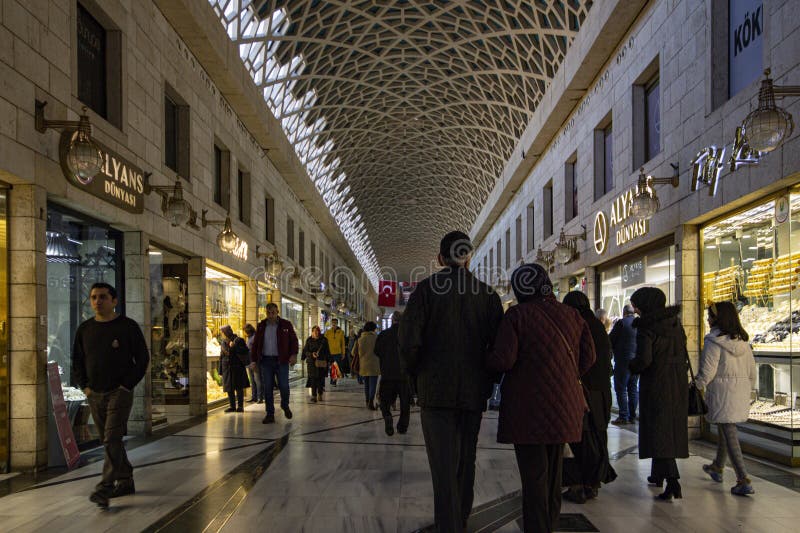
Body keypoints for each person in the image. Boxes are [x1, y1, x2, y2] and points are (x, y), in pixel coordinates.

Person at [400, 231, 504, 532]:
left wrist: (416, 376)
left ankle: (449, 525)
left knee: (443, 464)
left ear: (440, 258)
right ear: (469, 258)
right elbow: (498, 347)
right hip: (473, 392)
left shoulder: (425, 291)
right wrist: (487, 380)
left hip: (434, 392)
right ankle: (462, 517)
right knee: (466, 458)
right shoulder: (487, 295)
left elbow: (408, 342)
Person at [487, 265, 595, 532]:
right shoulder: (572, 314)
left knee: (534, 477)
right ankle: (550, 524)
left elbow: (503, 360)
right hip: (564, 407)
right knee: (554, 475)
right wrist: (563, 378)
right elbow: (589, 357)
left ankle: (537, 528)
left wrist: (485, 355)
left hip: (528, 408)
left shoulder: (517, 315)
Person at [71, 283, 150, 508]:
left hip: (119, 392)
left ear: (114, 301)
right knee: (110, 440)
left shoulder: (127, 326)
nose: (97, 301)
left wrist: (127, 385)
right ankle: (125, 479)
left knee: (111, 438)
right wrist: (85, 386)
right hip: (94, 393)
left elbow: (142, 359)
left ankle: (104, 487)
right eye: (94, 297)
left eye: (103, 297)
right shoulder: (85, 329)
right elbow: (77, 360)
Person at [629, 287, 689, 500]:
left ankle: (673, 482)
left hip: (656, 382)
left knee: (659, 432)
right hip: (677, 382)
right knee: (666, 428)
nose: (635, 310)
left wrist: (631, 366)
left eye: (637, 305)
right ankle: (658, 475)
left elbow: (644, 360)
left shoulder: (647, 327)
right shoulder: (674, 323)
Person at [695, 301, 757, 496]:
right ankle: (717, 466)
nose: (708, 319)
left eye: (710, 316)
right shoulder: (744, 343)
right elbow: (752, 373)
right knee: (725, 427)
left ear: (718, 319)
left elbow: (707, 372)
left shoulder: (713, 342)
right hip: (739, 393)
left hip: (721, 393)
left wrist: (696, 386)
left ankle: (743, 478)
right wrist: (746, 391)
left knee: (729, 432)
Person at [561, 291, 614, 504]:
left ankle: (582, 485)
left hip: (586, 391)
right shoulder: (597, 326)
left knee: (583, 439)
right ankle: (593, 483)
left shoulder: (580, 325)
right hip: (602, 391)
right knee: (598, 437)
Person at [250, 302, 299, 424]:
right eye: (268, 313)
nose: (271, 315)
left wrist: (294, 354)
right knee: (268, 388)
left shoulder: (286, 325)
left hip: (281, 360)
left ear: (277, 312)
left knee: (284, 386)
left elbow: (294, 340)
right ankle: (270, 414)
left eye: (273, 312)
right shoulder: (261, 326)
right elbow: (256, 345)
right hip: (266, 361)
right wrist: (254, 361)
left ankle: (285, 405)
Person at [374, 311, 411, 435]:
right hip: (403, 374)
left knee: (384, 401)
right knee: (405, 402)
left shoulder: (383, 334)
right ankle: (402, 426)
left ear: (392, 320)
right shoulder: (407, 335)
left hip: (387, 374)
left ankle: (387, 416)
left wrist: (386, 358)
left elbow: (376, 351)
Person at [609, 305, 639, 424]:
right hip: (636, 361)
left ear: (624, 312)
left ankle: (623, 416)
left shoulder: (621, 323)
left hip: (623, 361)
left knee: (621, 389)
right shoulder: (639, 324)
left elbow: (610, 339)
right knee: (633, 389)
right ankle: (632, 416)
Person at [220, 325, 250, 413]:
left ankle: (240, 406)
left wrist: (235, 346)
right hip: (227, 368)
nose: (222, 334)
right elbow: (221, 356)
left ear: (226, 332)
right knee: (229, 388)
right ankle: (232, 406)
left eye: (222, 332)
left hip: (237, 368)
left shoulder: (238, 340)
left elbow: (245, 351)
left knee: (238, 387)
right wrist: (221, 370)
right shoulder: (223, 342)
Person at [353, 321, 380, 409]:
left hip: (364, 365)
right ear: (374, 329)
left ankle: (367, 400)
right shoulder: (377, 338)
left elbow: (353, 352)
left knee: (366, 384)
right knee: (373, 384)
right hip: (374, 364)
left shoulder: (360, 339)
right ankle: (371, 401)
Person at [302, 325, 330, 402]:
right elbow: (305, 351)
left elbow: (327, 351)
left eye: (318, 331)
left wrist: (329, 361)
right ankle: (314, 395)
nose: (316, 333)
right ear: (312, 332)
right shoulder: (309, 340)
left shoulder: (324, 340)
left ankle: (320, 393)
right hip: (311, 362)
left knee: (320, 378)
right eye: (315, 331)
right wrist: (311, 354)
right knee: (313, 379)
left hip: (321, 362)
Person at [244, 324, 262, 403]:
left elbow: (257, 350)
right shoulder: (249, 338)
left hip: (254, 361)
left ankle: (260, 397)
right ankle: (254, 396)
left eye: (244, 331)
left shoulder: (254, 337)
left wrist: (255, 361)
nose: (244, 333)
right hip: (249, 361)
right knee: (252, 380)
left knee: (257, 379)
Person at [325, 318, 346, 385]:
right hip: (330, 352)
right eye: (333, 322)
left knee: (336, 367)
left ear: (337, 323)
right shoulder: (328, 332)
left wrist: (343, 353)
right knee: (331, 367)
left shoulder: (341, 332)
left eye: (335, 322)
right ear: (331, 323)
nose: (334, 324)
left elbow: (343, 343)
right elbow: (325, 342)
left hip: (337, 352)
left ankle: (334, 380)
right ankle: (332, 379)